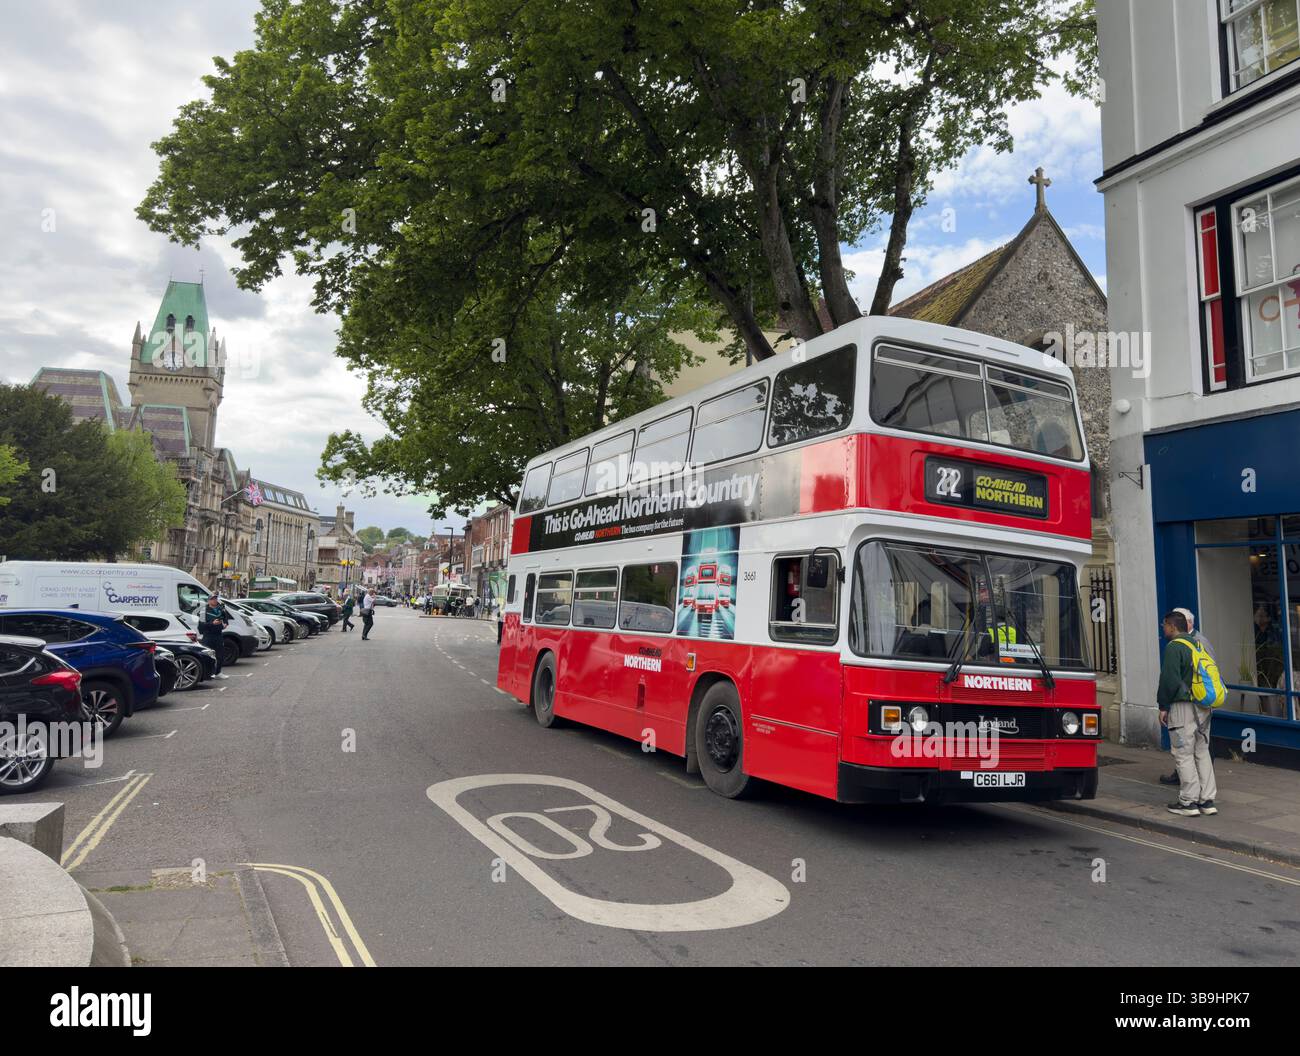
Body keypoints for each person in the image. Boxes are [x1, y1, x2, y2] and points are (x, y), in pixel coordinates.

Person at [1157, 610, 1218, 817]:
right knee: (1202, 751)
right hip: (1203, 706)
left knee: (1183, 753)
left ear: (1173, 626)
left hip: (1183, 707)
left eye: (1164, 625)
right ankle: (1207, 800)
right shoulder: (1197, 644)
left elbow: (1169, 680)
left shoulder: (1174, 647)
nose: (1163, 628)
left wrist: (1163, 706)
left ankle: (1188, 802)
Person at [200, 593, 231, 679]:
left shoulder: (221, 609)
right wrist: (212, 623)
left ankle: (218, 673)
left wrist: (225, 624)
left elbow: (226, 619)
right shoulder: (204, 610)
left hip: (218, 635)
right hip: (208, 635)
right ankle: (206, 673)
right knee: (207, 655)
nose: (214, 600)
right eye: (212, 599)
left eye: (215, 598)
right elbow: (201, 625)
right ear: (208, 600)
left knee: (220, 655)